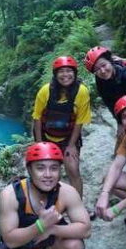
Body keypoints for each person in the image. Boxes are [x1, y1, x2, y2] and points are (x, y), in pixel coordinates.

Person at [32, 56, 92, 198]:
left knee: (73, 169)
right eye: (61, 72)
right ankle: (49, 202)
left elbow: (79, 121)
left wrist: (71, 145)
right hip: (47, 137)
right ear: (55, 74)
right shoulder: (45, 91)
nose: (65, 75)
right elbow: (37, 118)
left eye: (69, 71)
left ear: (75, 73)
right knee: (48, 172)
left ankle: (78, 204)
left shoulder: (81, 92)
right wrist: (40, 144)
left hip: (68, 138)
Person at [84, 46, 126, 132]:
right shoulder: (100, 79)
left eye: (104, 65)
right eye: (97, 69)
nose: (102, 71)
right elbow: (109, 102)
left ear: (110, 61)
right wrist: (119, 122)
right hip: (122, 100)